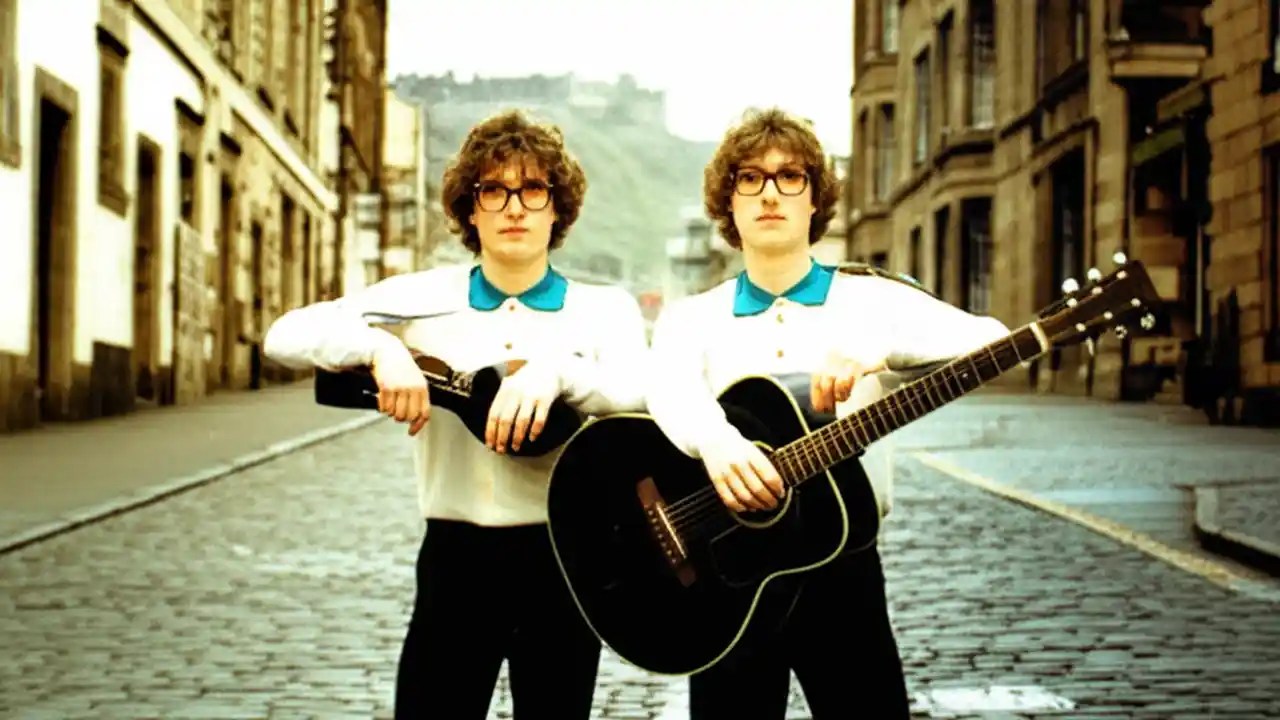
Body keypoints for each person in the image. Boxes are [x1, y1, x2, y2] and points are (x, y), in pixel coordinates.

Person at [263, 109, 649, 719]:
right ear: (470, 210)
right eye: (493, 190)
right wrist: (381, 348)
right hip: (455, 562)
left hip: (565, 563)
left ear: (557, 207)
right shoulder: (420, 299)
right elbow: (285, 335)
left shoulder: (604, 310)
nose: (514, 207)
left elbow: (637, 392)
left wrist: (556, 371)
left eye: (532, 190)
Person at [644, 107, 1012, 719]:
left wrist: (883, 349)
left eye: (790, 177)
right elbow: (668, 391)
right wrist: (717, 441)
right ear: (727, 203)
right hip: (728, 575)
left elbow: (993, 338)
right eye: (750, 178)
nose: (769, 194)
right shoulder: (692, 317)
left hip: (843, 573)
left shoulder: (871, 298)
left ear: (815, 199)